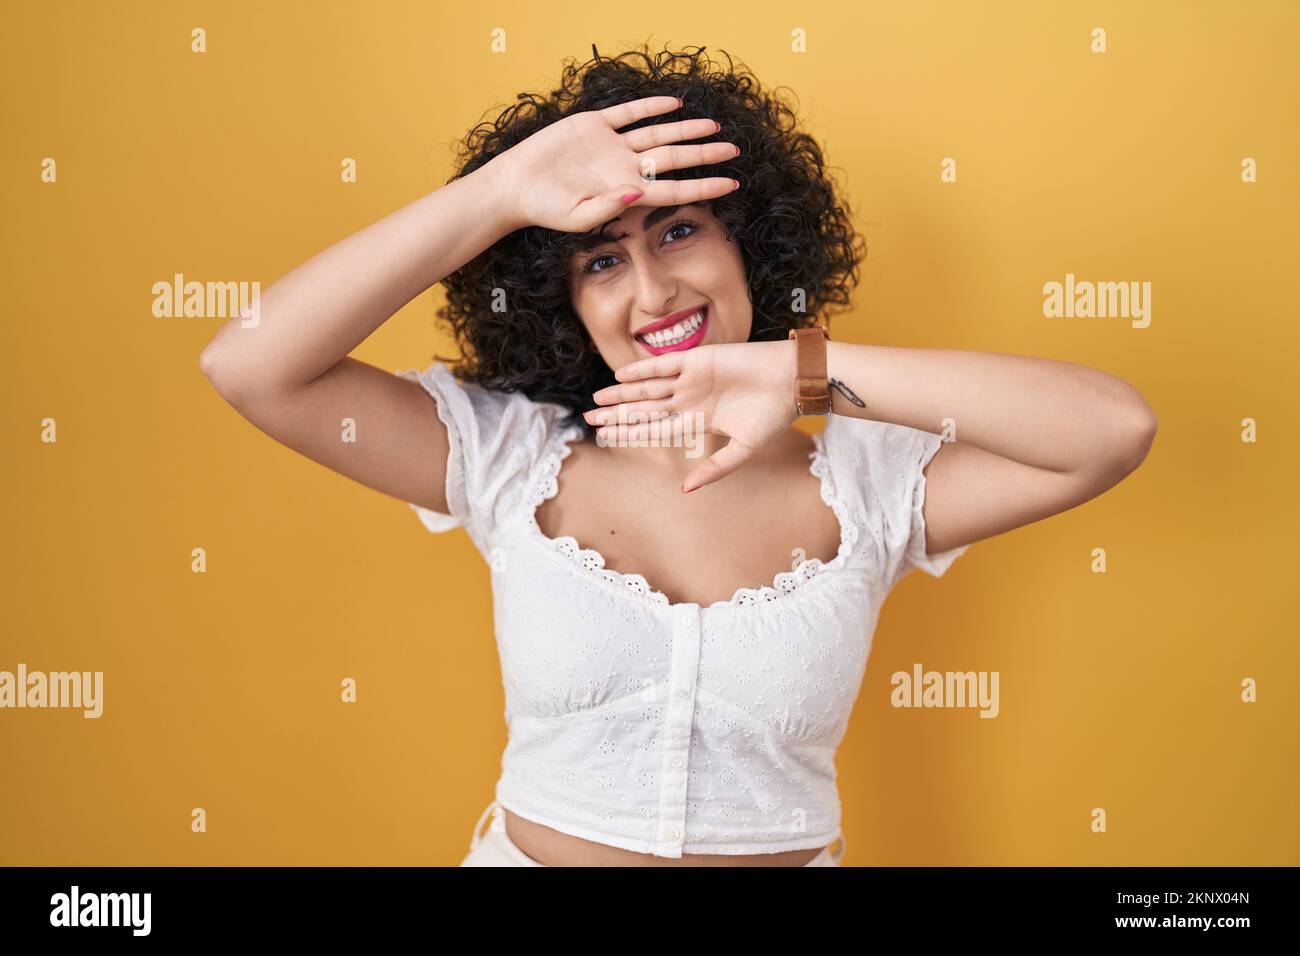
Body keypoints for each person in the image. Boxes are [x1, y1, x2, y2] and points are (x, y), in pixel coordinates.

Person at [199, 44, 1157, 867]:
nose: (653, 291)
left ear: (754, 251)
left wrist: (808, 374)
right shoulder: (509, 459)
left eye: (681, 230)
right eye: (601, 259)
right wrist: (498, 193)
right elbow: (252, 364)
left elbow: (1110, 431)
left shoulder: (868, 484)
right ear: (563, 303)